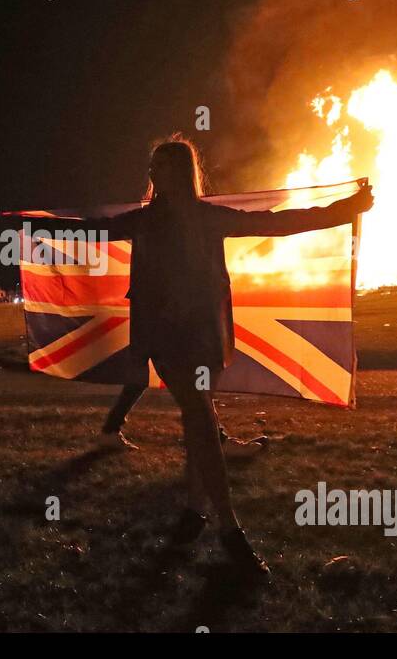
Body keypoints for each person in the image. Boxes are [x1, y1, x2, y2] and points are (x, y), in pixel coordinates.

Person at [36, 134, 373, 579]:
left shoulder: (203, 217)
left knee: (199, 421)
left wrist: (339, 211)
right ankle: (229, 530)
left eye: (166, 167)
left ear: (184, 173)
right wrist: (36, 225)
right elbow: (93, 229)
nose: (157, 174)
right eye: (154, 167)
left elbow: (273, 223)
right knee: (198, 416)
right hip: (167, 337)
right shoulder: (147, 221)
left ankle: (196, 511)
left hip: (204, 335)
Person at [98, 382, 269, 458]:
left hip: (156, 322)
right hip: (165, 321)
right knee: (194, 381)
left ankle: (110, 430)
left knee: (140, 378)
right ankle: (217, 441)